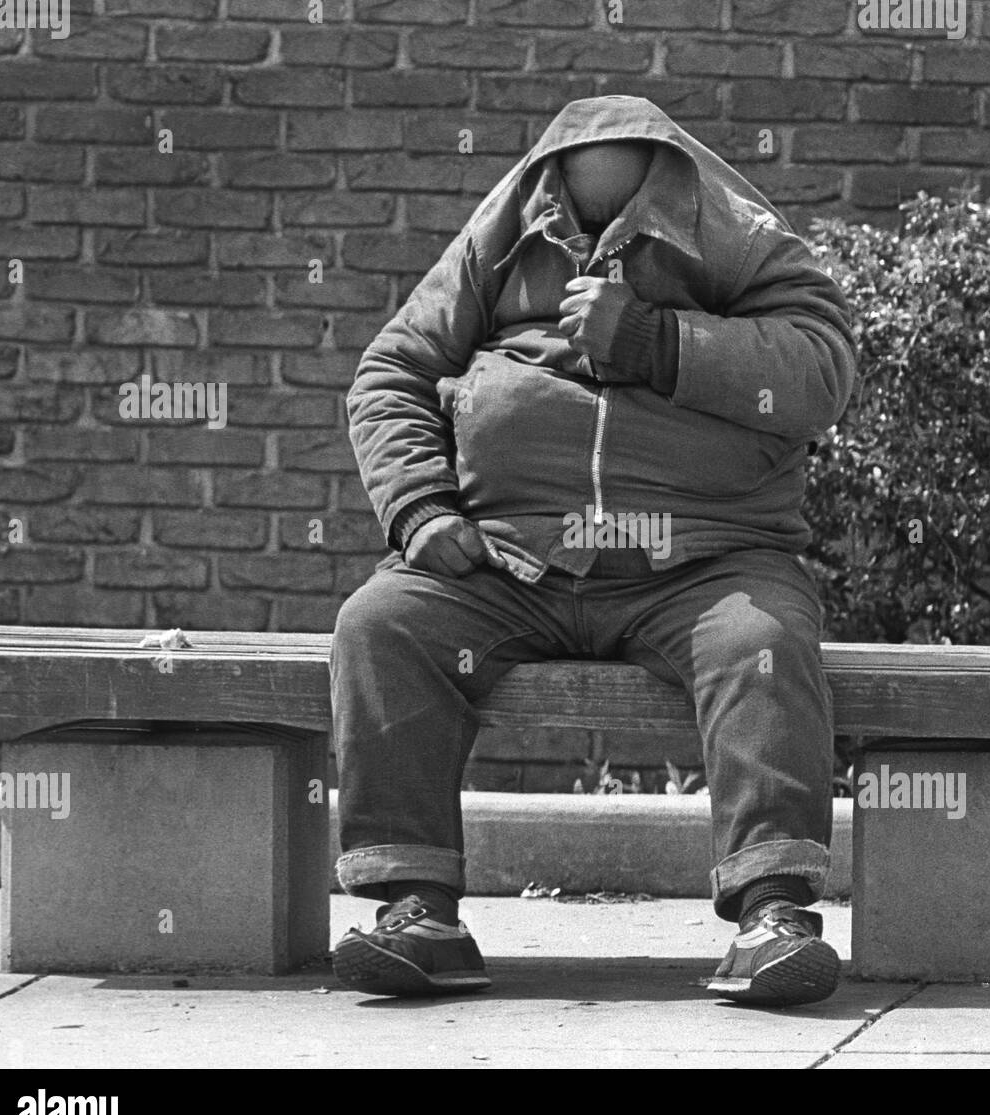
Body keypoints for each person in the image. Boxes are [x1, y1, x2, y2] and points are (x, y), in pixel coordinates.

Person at [331, 95, 857, 1007]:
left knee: (760, 643)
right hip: (510, 561)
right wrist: (420, 506)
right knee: (383, 623)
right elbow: (392, 371)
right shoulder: (498, 241)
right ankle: (420, 912)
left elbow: (820, 370)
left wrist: (657, 340)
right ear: (547, 190)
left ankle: (774, 916)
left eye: (620, 219)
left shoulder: (735, 234)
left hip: (706, 558)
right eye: (575, 215)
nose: (593, 235)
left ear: (664, 187)